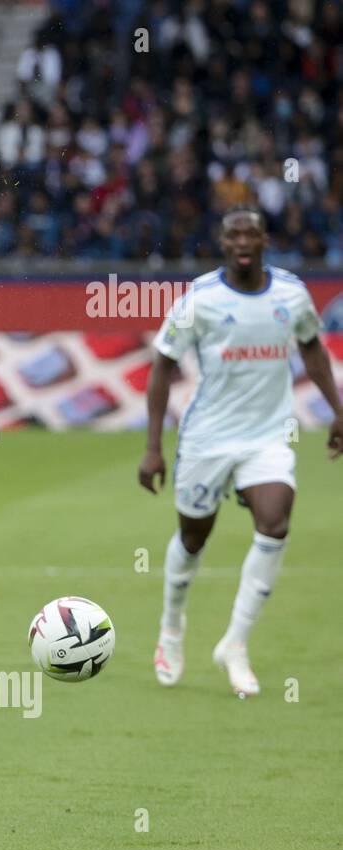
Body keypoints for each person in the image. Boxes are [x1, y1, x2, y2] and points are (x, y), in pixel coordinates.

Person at [139, 207, 341, 697]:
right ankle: (171, 627)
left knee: (275, 522)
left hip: (268, 436)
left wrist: (338, 410)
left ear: (265, 239)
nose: (243, 240)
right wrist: (153, 449)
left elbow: (313, 349)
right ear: (222, 242)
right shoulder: (200, 299)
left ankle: (236, 642)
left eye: (252, 232)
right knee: (193, 538)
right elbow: (162, 367)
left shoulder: (291, 293)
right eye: (234, 234)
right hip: (208, 437)